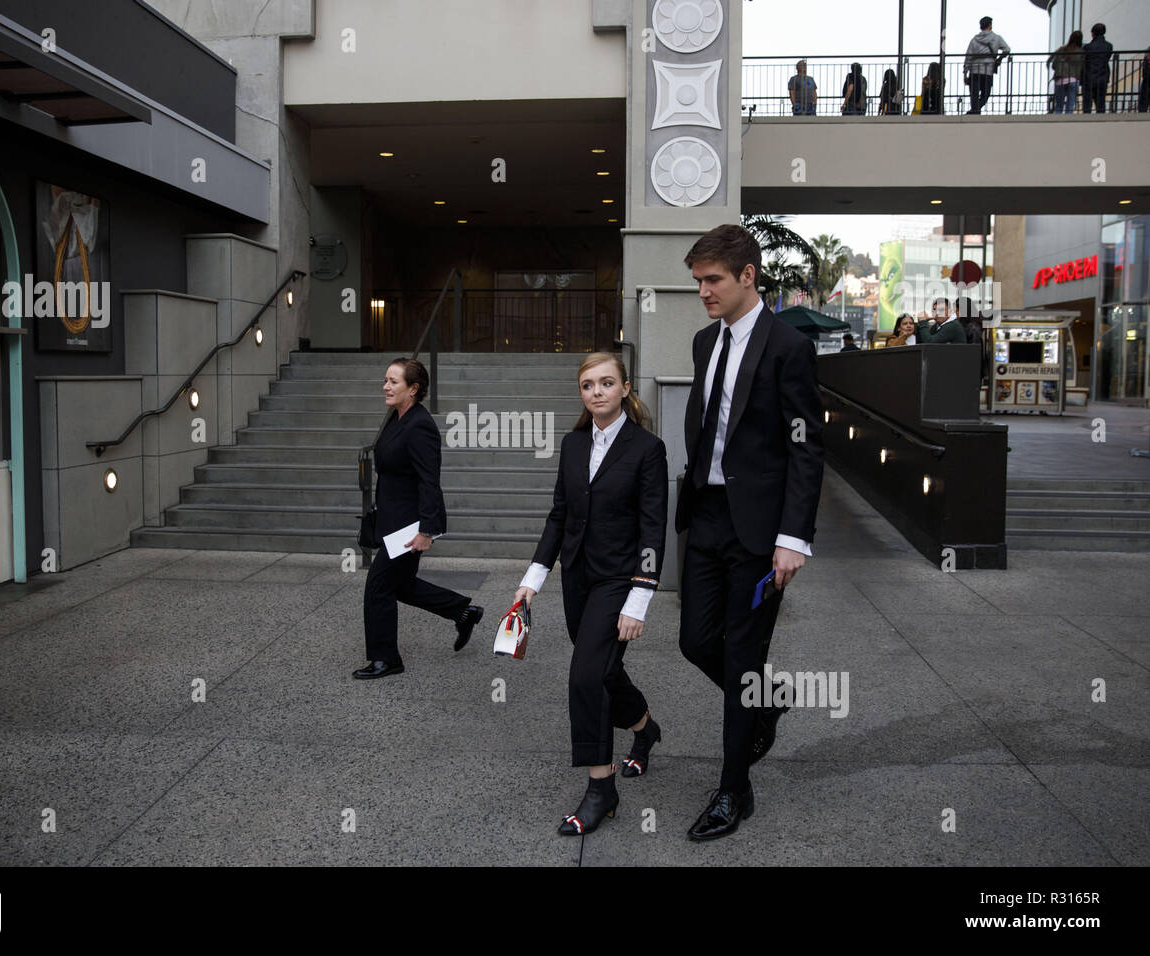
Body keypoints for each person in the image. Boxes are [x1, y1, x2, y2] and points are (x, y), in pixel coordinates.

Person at [675, 225, 824, 841]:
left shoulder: (788, 346)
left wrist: (794, 536)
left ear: (747, 276)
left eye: (713, 280)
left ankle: (733, 790)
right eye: (698, 282)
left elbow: (805, 447)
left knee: (742, 658)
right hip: (707, 517)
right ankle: (764, 705)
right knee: (692, 640)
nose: (704, 291)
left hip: (762, 532)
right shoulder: (704, 342)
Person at [513, 353, 667, 837]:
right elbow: (559, 515)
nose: (596, 392)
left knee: (584, 677)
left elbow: (652, 529)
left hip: (619, 580)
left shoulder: (648, 448)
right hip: (577, 577)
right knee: (604, 669)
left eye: (606, 383)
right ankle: (645, 730)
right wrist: (532, 580)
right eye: (587, 385)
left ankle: (601, 788)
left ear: (624, 388)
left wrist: (639, 597)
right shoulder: (573, 444)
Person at [353, 358, 483, 679]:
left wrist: (428, 529)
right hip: (392, 520)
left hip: (409, 527)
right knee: (401, 586)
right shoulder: (397, 418)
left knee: (378, 588)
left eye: (393, 381)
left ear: (413, 389)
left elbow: (429, 480)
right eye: (385, 380)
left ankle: (386, 659)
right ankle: (463, 612)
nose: (385, 386)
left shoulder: (420, 425)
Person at [965, 16, 1010, 114]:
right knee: (986, 93)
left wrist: (965, 72)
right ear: (990, 25)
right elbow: (1007, 49)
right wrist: (999, 59)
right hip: (988, 70)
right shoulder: (996, 38)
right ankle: (976, 109)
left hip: (974, 69)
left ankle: (975, 110)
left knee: (974, 94)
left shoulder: (974, 40)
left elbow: (968, 56)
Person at [1048, 31, 1084, 114]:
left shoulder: (1061, 50)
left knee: (1058, 106)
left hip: (1060, 80)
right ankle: (1068, 123)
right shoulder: (1081, 51)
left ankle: (1056, 123)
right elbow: (1082, 67)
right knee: (1070, 106)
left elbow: (1054, 65)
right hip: (1073, 80)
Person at [1083, 23, 1114, 114]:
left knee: (1087, 104)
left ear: (1093, 33)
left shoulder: (1087, 47)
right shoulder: (1109, 46)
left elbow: (1085, 60)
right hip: (1103, 75)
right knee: (1100, 102)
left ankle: (1085, 121)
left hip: (1089, 77)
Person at [1139, 48, 1150, 113]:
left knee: (1145, 94)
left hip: (1147, 76)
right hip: (1147, 76)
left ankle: (1142, 110)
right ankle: (1143, 109)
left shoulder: (1148, 51)